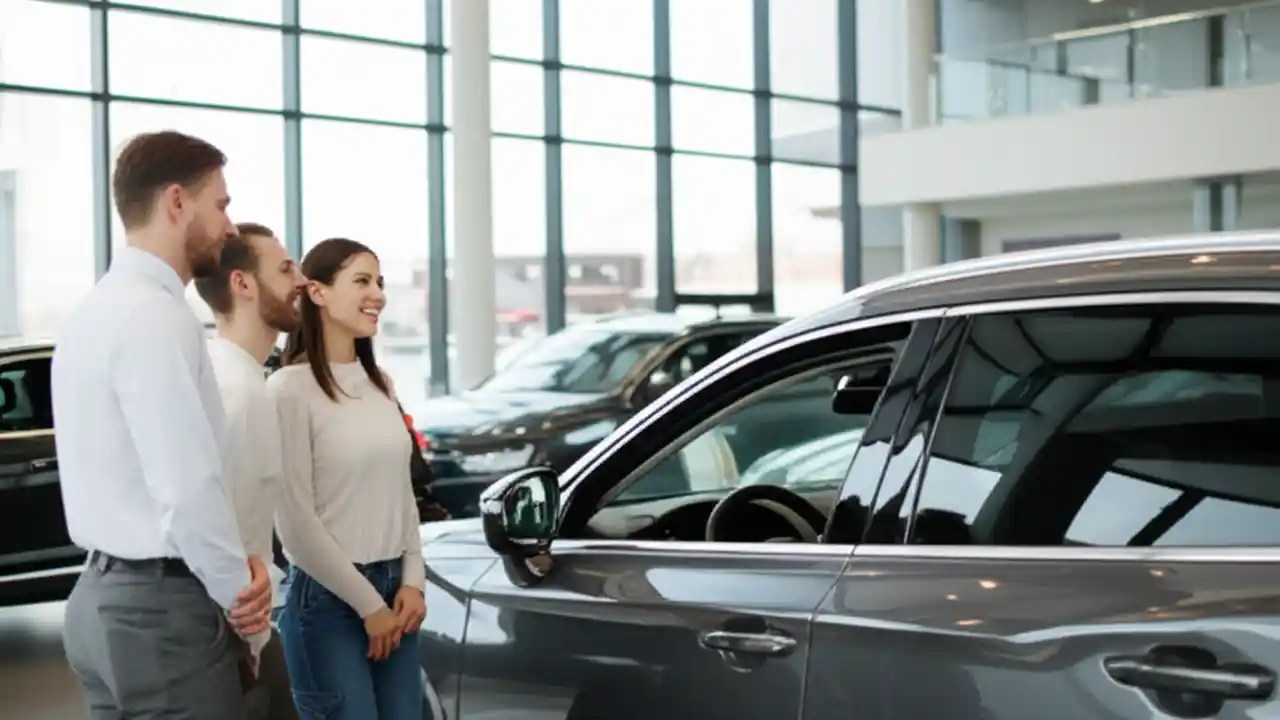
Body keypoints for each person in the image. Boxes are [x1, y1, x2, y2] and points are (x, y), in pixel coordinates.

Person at [53, 130, 273, 719]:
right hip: (161, 614)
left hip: (96, 603)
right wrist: (240, 598)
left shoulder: (91, 312)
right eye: (220, 205)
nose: (229, 226)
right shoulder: (157, 316)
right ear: (177, 202)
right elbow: (187, 485)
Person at [268, 238, 427, 719]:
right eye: (362, 281)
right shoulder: (288, 390)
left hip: (395, 593)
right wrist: (368, 606)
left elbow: (402, 494)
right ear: (317, 292)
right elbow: (294, 524)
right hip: (328, 601)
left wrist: (413, 582)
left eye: (379, 282)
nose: (378, 294)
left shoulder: (381, 384)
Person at [193, 222, 307, 720]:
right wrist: (250, 643)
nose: (300, 280)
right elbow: (223, 529)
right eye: (285, 270)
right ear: (242, 284)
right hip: (232, 632)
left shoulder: (230, 375)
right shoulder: (239, 393)